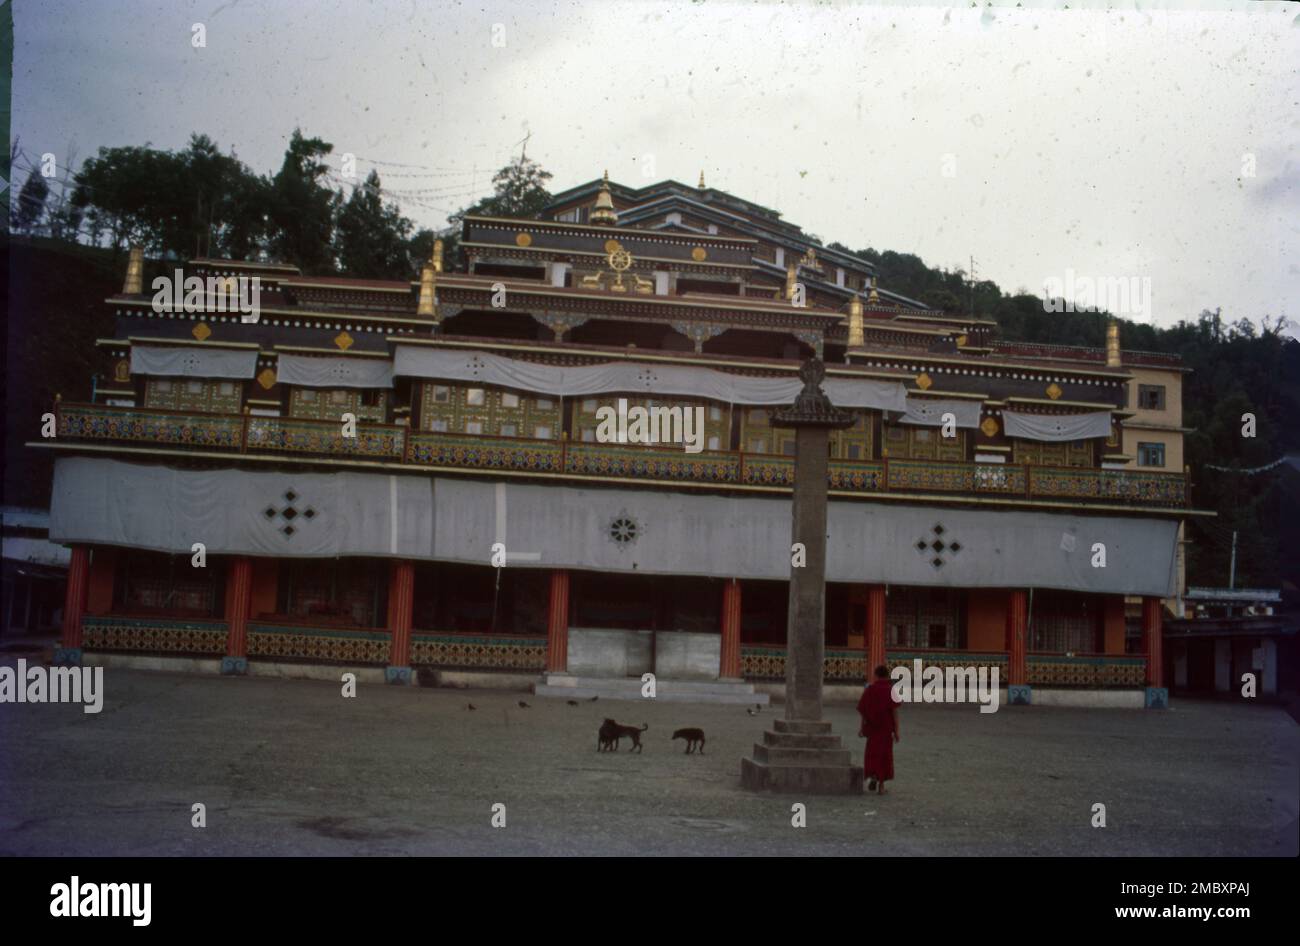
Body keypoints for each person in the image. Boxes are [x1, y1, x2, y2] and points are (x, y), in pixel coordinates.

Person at [856, 664, 900, 794]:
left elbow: (863, 710)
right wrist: (896, 730)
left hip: (873, 728)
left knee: (873, 754)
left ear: (876, 675)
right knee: (885, 756)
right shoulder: (890, 690)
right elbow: (894, 712)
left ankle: (873, 776)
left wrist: (861, 728)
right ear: (887, 675)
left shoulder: (870, 689)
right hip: (886, 729)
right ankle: (881, 786)